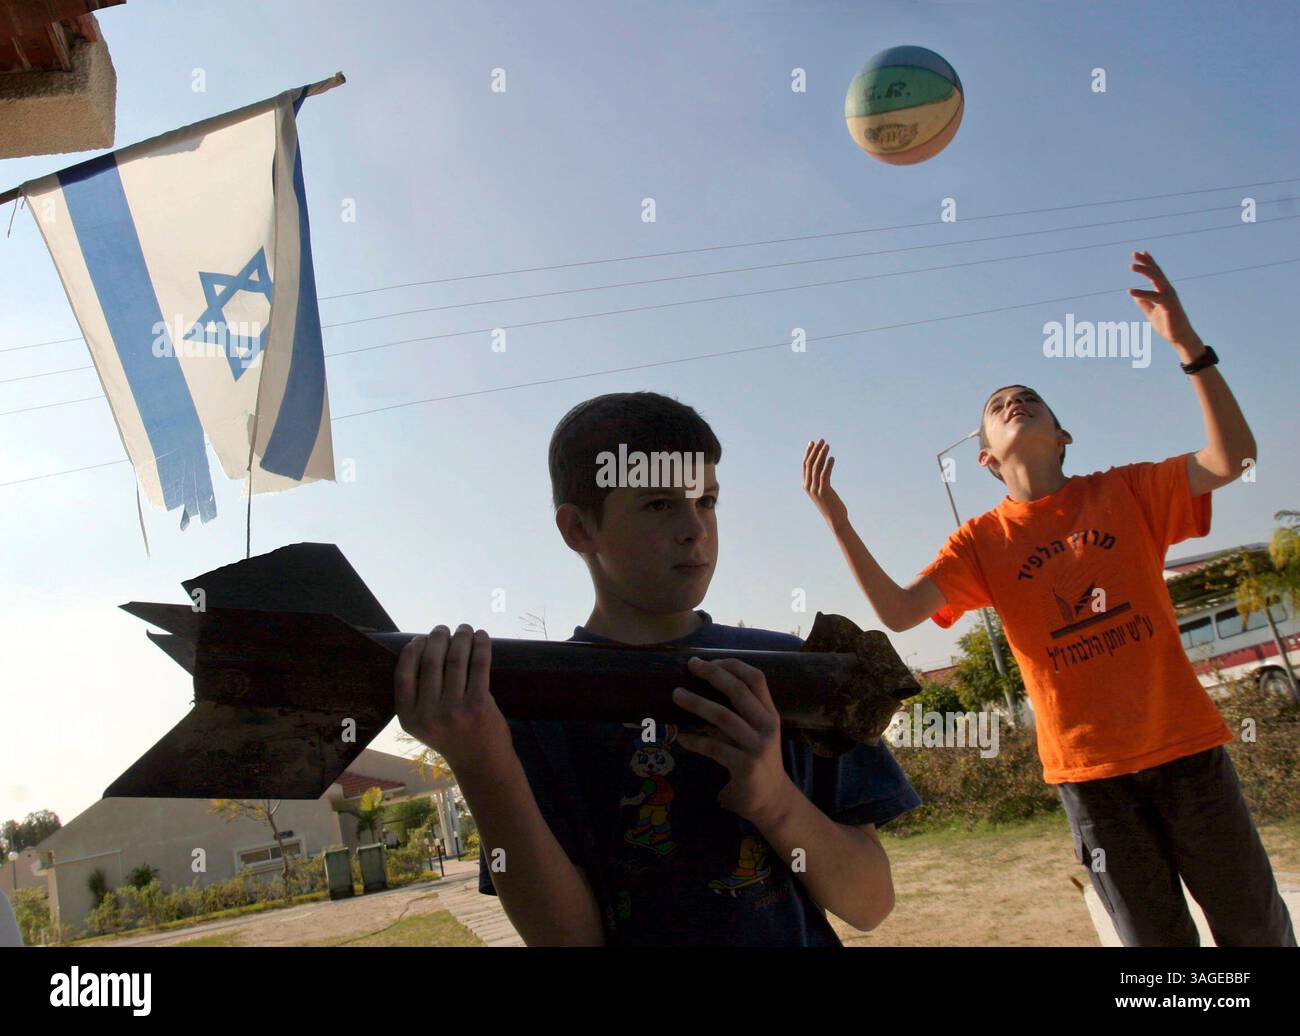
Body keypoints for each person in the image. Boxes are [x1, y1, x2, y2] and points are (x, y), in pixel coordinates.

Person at [803, 250, 1294, 947]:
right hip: (1091, 778)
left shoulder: (1126, 492)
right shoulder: (981, 542)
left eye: (1029, 397)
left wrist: (1189, 349)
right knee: (1156, 947)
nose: (1013, 401)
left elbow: (1235, 460)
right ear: (986, 461)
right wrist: (841, 524)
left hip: (1187, 752)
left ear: (1063, 436)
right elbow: (900, 612)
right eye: (996, 408)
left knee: (1255, 930)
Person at [395, 391, 919, 945]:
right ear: (578, 530)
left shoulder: (797, 678)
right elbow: (568, 939)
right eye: (659, 504)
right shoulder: (528, 708)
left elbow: (870, 903)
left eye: (708, 502)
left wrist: (774, 800)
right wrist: (481, 763)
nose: (695, 528)